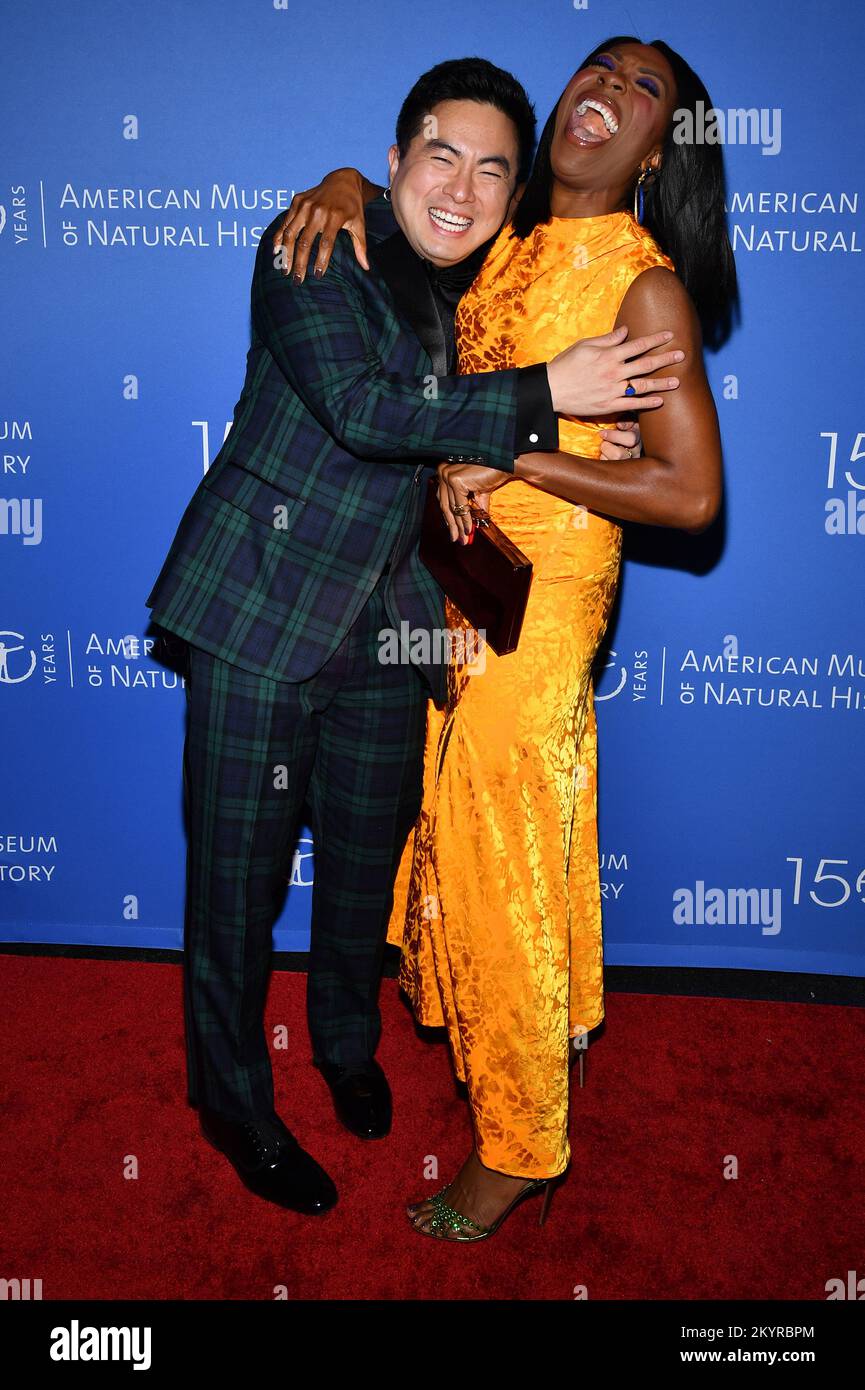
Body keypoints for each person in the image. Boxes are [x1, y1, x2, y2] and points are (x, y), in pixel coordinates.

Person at [144, 57, 682, 1217]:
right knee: (231, 894)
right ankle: (234, 1103)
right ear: (393, 163)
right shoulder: (316, 246)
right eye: (440, 155)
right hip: (258, 609)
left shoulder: (490, 280)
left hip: (396, 633)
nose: (465, 186)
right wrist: (552, 392)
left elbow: (508, 416)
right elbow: (369, 411)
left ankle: (343, 1043)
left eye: (495, 168)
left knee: (360, 875)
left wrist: (579, 435)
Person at [272, 35, 736, 1239]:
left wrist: (521, 454)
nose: (609, 92)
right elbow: (426, 205)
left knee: (505, 883)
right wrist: (342, 187)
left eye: (647, 91)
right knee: (474, 860)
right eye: (599, 68)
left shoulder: (642, 283)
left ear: (661, 149)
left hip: (538, 621)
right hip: (455, 596)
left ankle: (523, 1147)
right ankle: (502, 1058)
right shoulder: (510, 236)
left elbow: (690, 496)